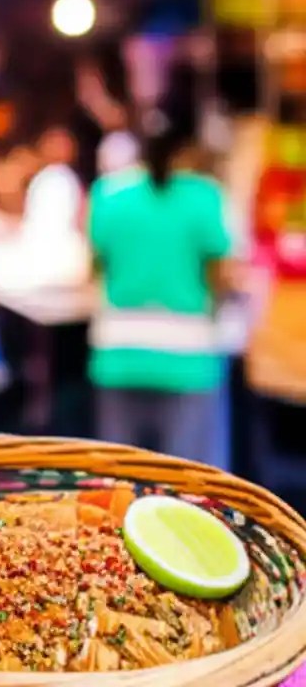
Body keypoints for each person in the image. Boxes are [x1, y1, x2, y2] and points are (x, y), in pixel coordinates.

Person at [88, 118, 235, 464]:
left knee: (120, 476)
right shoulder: (204, 197)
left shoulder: (109, 195)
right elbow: (222, 274)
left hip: (119, 351)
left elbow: (93, 267)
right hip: (187, 357)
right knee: (188, 481)